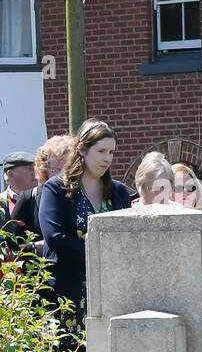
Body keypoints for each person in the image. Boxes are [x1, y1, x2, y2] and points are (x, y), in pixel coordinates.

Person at [37, 119, 134, 326]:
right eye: (101, 151)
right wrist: (98, 259)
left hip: (110, 293)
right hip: (66, 293)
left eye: (111, 152)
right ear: (81, 149)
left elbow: (128, 237)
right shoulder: (57, 189)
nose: (107, 158)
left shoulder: (118, 192)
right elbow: (55, 237)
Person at [1, 151, 39, 256]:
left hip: (40, 266)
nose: (35, 173)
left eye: (36, 168)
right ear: (10, 174)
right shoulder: (2, 202)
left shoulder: (44, 198)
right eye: (30, 169)